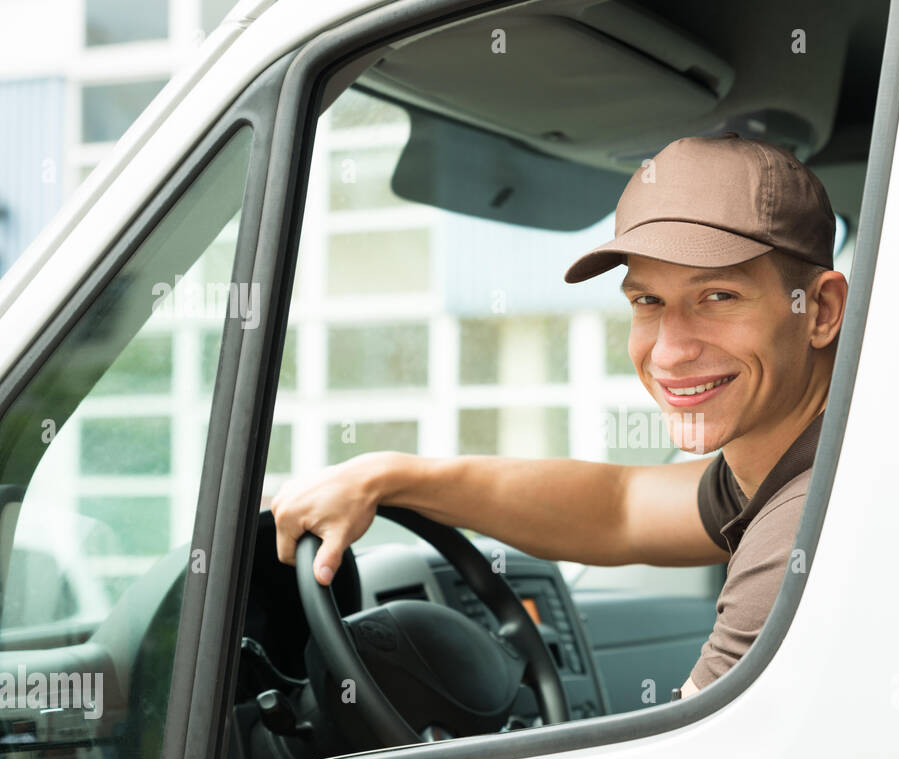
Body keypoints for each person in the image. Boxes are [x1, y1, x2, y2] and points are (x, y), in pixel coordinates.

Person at [271, 132, 847, 699]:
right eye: (648, 301)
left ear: (820, 310)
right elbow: (617, 510)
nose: (670, 351)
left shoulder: (804, 520)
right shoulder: (791, 463)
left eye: (718, 297)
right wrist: (387, 477)